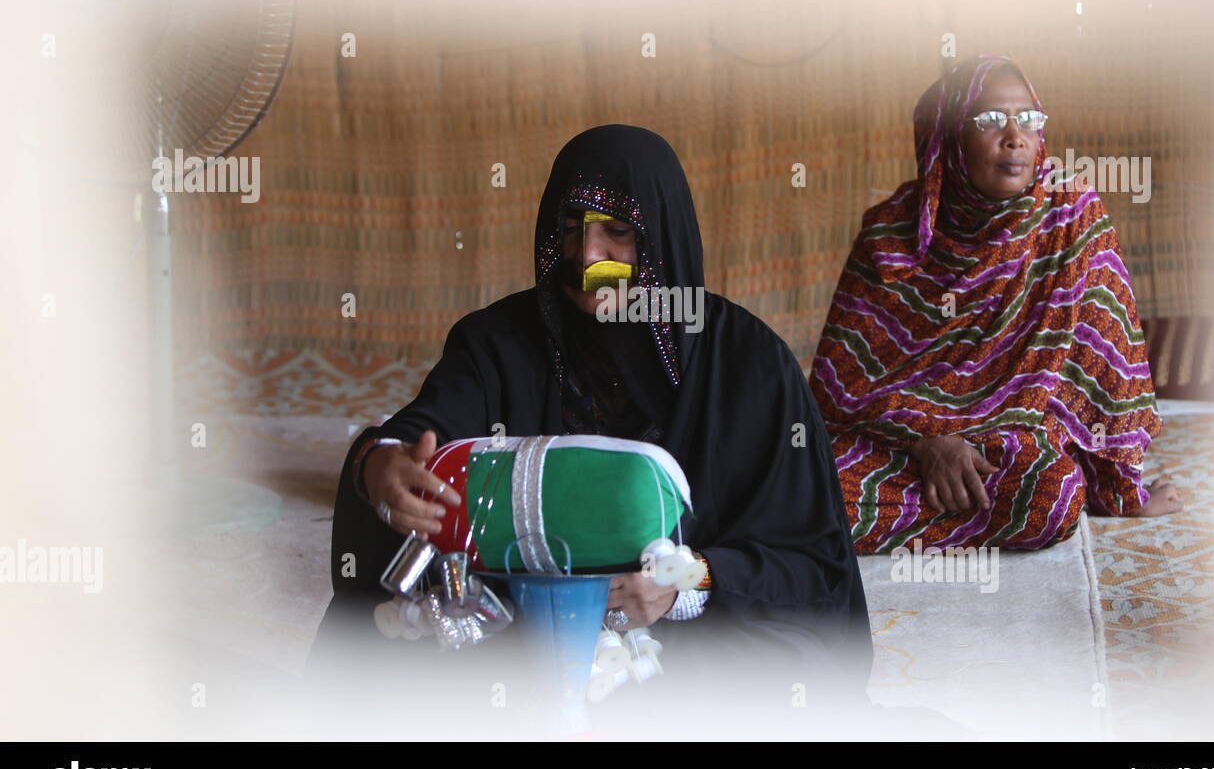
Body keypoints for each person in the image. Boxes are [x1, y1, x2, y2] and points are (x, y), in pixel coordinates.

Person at [309, 124, 873, 736]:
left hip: (686, 627)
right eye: (572, 226)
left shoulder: (750, 364)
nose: (586, 253)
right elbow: (421, 434)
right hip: (516, 617)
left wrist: (683, 581)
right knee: (371, 640)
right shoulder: (496, 342)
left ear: (661, 237)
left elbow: (811, 564)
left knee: (773, 679)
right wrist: (380, 463)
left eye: (617, 232)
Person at [810, 56, 1184, 554]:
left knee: (1053, 494)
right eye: (990, 121)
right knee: (810, 479)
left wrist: (1120, 488)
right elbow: (841, 384)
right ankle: (922, 514)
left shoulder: (1069, 214)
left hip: (1012, 442)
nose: (1016, 137)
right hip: (901, 443)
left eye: (1029, 119)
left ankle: (864, 524)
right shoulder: (890, 233)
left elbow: (1110, 362)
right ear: (949, 138)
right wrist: (930, 442)